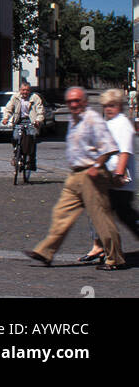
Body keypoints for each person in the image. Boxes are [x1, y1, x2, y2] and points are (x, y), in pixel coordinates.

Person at [24, 87, 125, 270]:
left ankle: (114, 259)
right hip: (75, 175)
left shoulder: (93, 119)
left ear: (85, 101)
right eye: (70, 101)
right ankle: (45, 252)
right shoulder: (73, 120)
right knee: (61, 213)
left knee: (101, 219)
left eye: (77, 101)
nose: (73, 104)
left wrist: (96, 166)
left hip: (92, 175)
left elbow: (110, 148)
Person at [79, 88, 139, 262]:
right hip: (107, 179)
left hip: (118, 181)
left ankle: (102, 248)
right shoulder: (110, 122)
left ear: (120, 105)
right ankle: (99, 246)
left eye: (112, 105)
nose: (108, 109)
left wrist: (119, 174)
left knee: (121, 215)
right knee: (103, 212)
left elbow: (125, 152)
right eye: (105, 106)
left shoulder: (122, 123)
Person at [2, 82, 45, 171]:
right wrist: (6, 118)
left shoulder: (35, 98)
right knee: (15, 137)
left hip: (31, 121)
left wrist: (38, 120)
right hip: (19, 120)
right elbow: (9, 108)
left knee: (32, 138)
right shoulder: (15, 97)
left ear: (30, 91)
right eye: (23, 90)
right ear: (20, 90)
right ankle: (16, 155)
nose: (25, 92)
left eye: (27, 90)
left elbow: (40, 111)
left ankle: (31, 161)